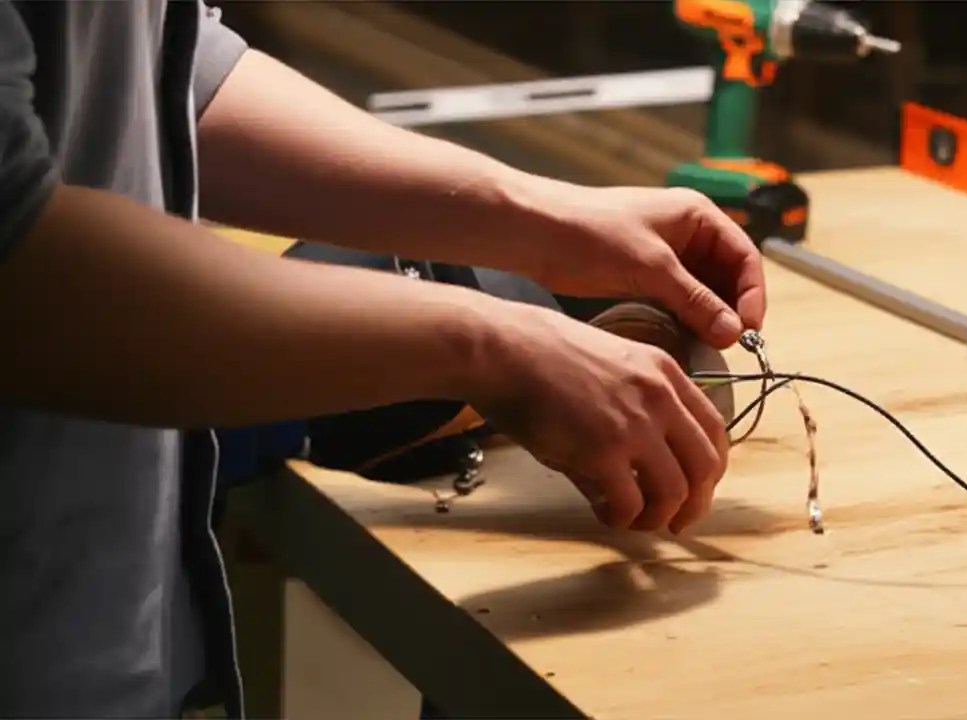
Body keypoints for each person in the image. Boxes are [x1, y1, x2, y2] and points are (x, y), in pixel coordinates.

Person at [0, 1, 766, 718]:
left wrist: (549, 218)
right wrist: (491, 345)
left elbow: (166, 69)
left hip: (99, 627)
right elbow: (22, 264)